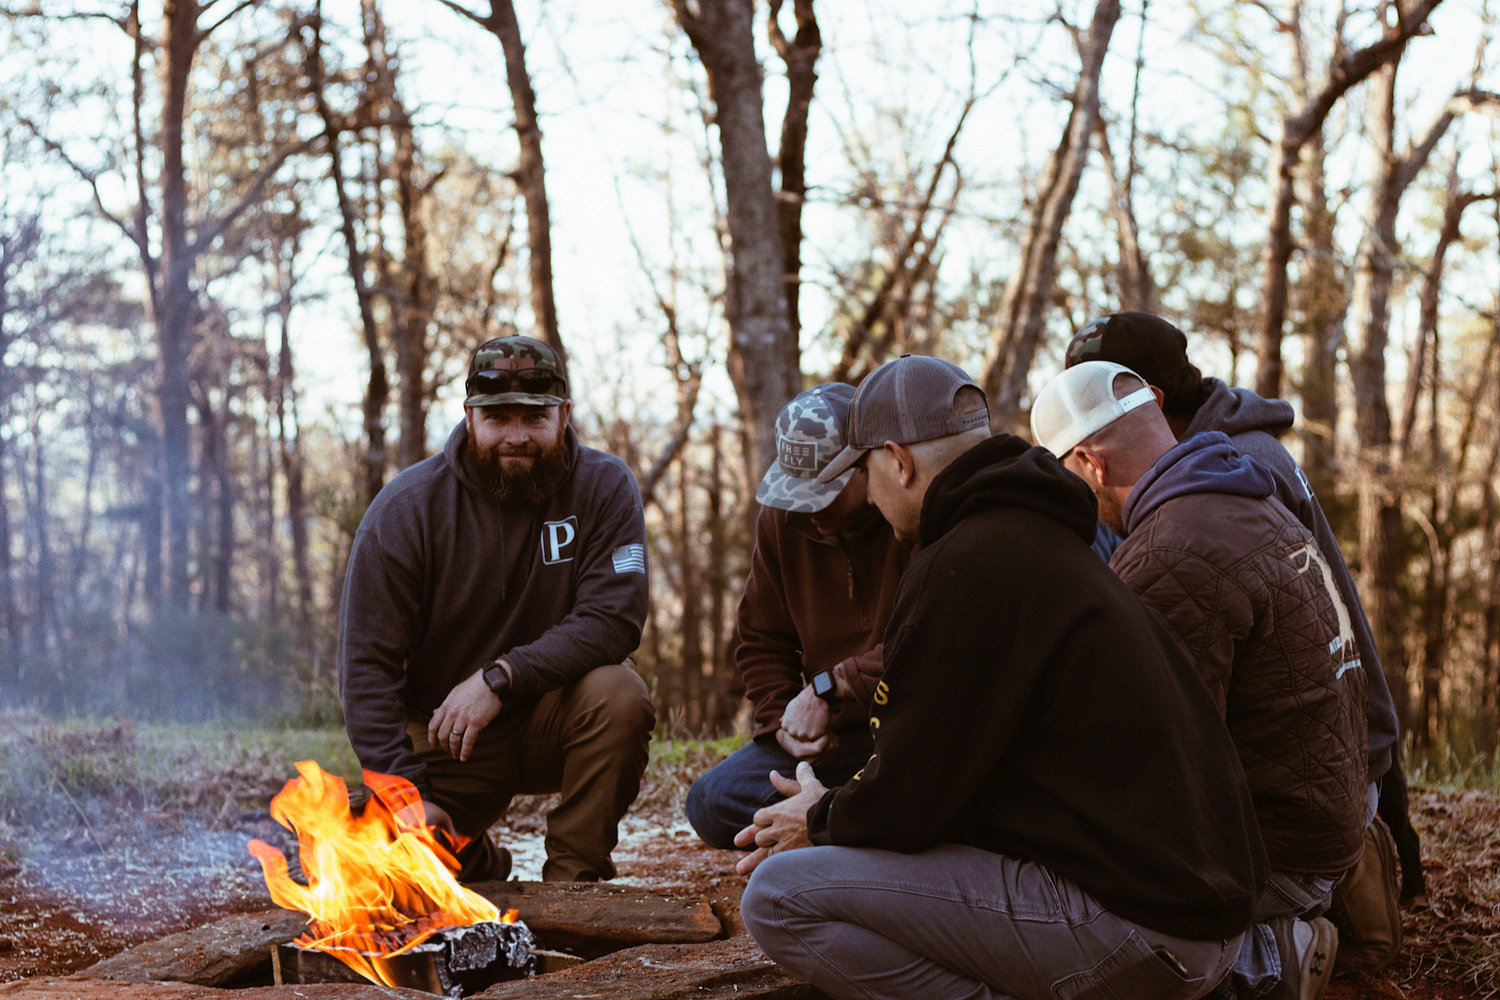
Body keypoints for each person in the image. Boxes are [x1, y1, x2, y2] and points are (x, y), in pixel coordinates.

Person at [737, 355, 1267, 1000]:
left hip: (1138, 935)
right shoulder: (1040, 540)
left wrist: (818, 819)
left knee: (777, 896)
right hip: (1197, 919)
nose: (870, 496)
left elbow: (910, 800)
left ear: (899, 462)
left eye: (866, 473)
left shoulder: (964, 567)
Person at [1066, 312, 1420, 963]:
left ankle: (1324, 914)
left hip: (1327, 748)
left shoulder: (1240, 468)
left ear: (1150, 401)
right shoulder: (1190, 472)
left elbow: (1294, 646)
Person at [1032, 360, 1370, 1000]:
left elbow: (1150, 765)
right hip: (1327, 815)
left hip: (1281, 855)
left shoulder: (1168, 552)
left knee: (1051, 888)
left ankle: (1261, 960)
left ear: (1091, 463)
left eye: (1066, 472)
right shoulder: (1248, 495)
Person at [337, 334, 656, 883]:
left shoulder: (605, 487)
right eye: (498, 417)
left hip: (552, 716)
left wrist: (500, 679)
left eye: (534, 418)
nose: (516, 436)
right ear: (467, 417)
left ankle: (573, 885)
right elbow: (366, 669)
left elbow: (615, 618)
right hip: (445, 735)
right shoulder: (406, 510)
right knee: (361, 838)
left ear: (563, 415)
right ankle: (476, 864)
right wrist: (403, 794)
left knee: (620, 694)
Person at [685, 384, 911, 849]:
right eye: (797, 492)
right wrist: (783, 725)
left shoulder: (909, 518)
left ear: (867, 465)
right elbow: (761, 638)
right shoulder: (780, 520)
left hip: (908, 731)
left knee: (926, 788)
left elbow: (928, 639)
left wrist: (828, 685)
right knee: (711, 800)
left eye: (824, 491)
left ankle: (838, 819)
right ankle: (838, 817)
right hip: (829, 743)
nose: (809, 509)